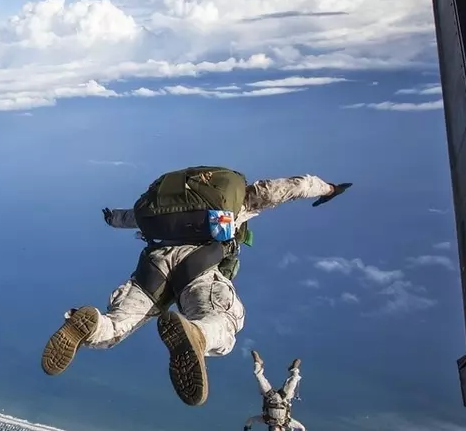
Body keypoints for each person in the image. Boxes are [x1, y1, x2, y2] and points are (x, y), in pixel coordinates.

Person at [39, 167, 351, 406]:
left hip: (154, 264)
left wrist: (110, 219)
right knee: (223, 323)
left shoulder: (166, 207)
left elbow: (129, 218)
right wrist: (328, 188)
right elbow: (292, 187)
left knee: (116, 329)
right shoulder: (243, 198)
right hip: (200, 263)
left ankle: (94, 323)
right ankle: (199, 336)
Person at [243, 351, 307, 431]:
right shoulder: (287, 422)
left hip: (270, 397)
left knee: (258, 377)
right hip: (284, 398)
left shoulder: (265, 419)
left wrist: (247, 427)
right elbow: (301, 427)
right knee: (293, 381)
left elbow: (251, 420)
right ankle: (294, 369)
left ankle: (257, 362)